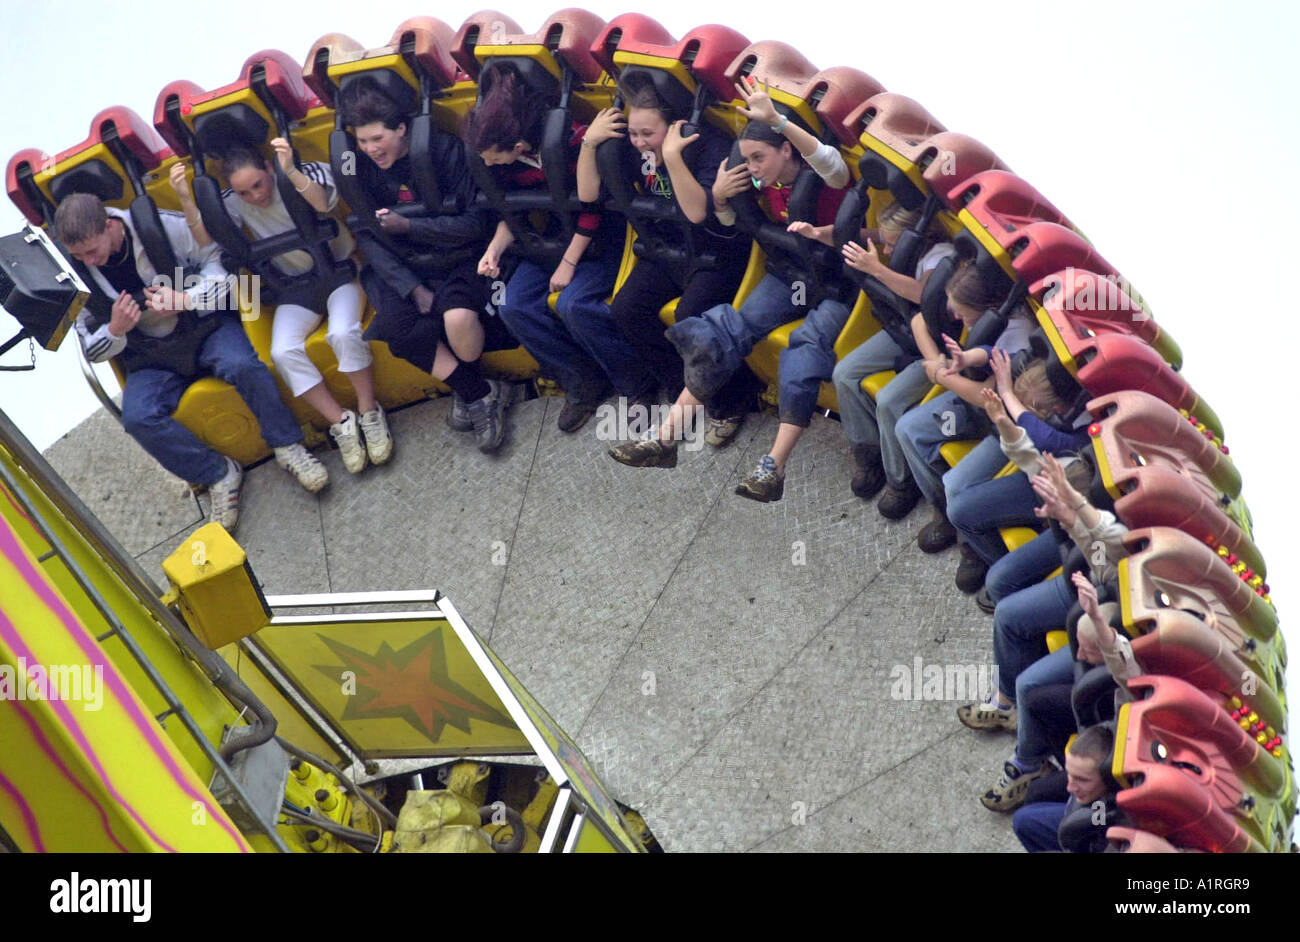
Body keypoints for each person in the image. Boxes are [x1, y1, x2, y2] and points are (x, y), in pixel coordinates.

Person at [57, 191, 323, 532]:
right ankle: (218, 474)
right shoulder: (75, 273)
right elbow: (88, 347)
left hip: (203, 326)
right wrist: (114, 330)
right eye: (79, 255)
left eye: (91, 250)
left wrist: (185, 299)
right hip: (150, 357)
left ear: (110, 226)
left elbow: (223, 267)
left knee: (243, 365)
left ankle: (287, 445)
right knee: (137, 418)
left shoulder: (160, 226)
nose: (89, 260)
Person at [647, 75, 854, 500]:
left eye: (760, 157)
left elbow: (832, 164)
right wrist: (721, 201)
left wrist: (777, 120)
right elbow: (730, 229)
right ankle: (665, 437)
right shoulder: (764, 186)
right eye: (748, 160)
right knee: (729, 328)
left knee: (805, 347)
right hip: (789, 275)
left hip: (837, 287)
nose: (753, 168)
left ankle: (772, 467)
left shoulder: (824, 178)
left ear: (785, 149)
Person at [172, 139, 392, 472]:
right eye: (245, 193)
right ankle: (342, 422)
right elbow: (206, 241)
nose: (255, 196)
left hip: (340, 272)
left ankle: (369, 411)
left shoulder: (303, 173)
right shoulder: (234, 201)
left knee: (343, 332)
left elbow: (324, 204)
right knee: (282, 351)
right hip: (296, 288)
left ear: (268, 168)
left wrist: (289, 171)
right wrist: (187, 199)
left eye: (259, 185)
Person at [462, 60, 643, 433]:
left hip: (598, 239)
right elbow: (515, 208)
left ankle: (635, 384)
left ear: (516, 145)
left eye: (492, 155)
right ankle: (583, 381)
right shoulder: (506, 165)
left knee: (576, 305)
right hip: (549, 241)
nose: (485, 162)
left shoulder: (572, 142)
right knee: (513, 305)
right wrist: (495, 249)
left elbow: (592, 208)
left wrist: (569, 263)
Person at [580, 75, 754, 459]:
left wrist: (673, 157)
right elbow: (587, 195)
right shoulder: (636, 150)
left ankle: (733, 401)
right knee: (626, 310)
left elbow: (695, 212)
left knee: (691, 317)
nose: (640, 142)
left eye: (648, 134)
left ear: (677, 127)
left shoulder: (710, 148)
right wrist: (590, 143)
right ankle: (681, 393)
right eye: (634, 134)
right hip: (668, 250)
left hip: (715, 255)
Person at [337, 76, 510, 453]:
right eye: (363, 142)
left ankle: (473, 383)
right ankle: (479, 392)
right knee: (395, 328)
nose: (370, 149)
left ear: (401, 128)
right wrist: (411, 287)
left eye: (377, 139)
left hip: (461, 257)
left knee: (458, 324)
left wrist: (411, 226)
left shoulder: (447, 151)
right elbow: (365, 233)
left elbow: (475, 223)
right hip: (407, 268)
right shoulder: (364, 170)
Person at [829, 203, 957, 514]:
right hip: (902, 330)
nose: (885, 249)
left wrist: (876, 268)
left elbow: (922, 294)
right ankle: (868, 454)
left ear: (915, 238)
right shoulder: (904, 240)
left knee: (889, 400)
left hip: (936, 346)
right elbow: (876, 234)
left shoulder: (941, 254)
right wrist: (826, 233)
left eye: (891, 244)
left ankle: (901, 481)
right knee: (844, 372)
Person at [1011, 724, 1117, 852]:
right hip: (1096, 807)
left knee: (1025, 821)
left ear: (1109, 777)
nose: (1069, 788)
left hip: (1101, 827)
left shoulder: (1115, 816)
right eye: (1070, 774)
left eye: (1081, 779)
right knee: (1033, 797)